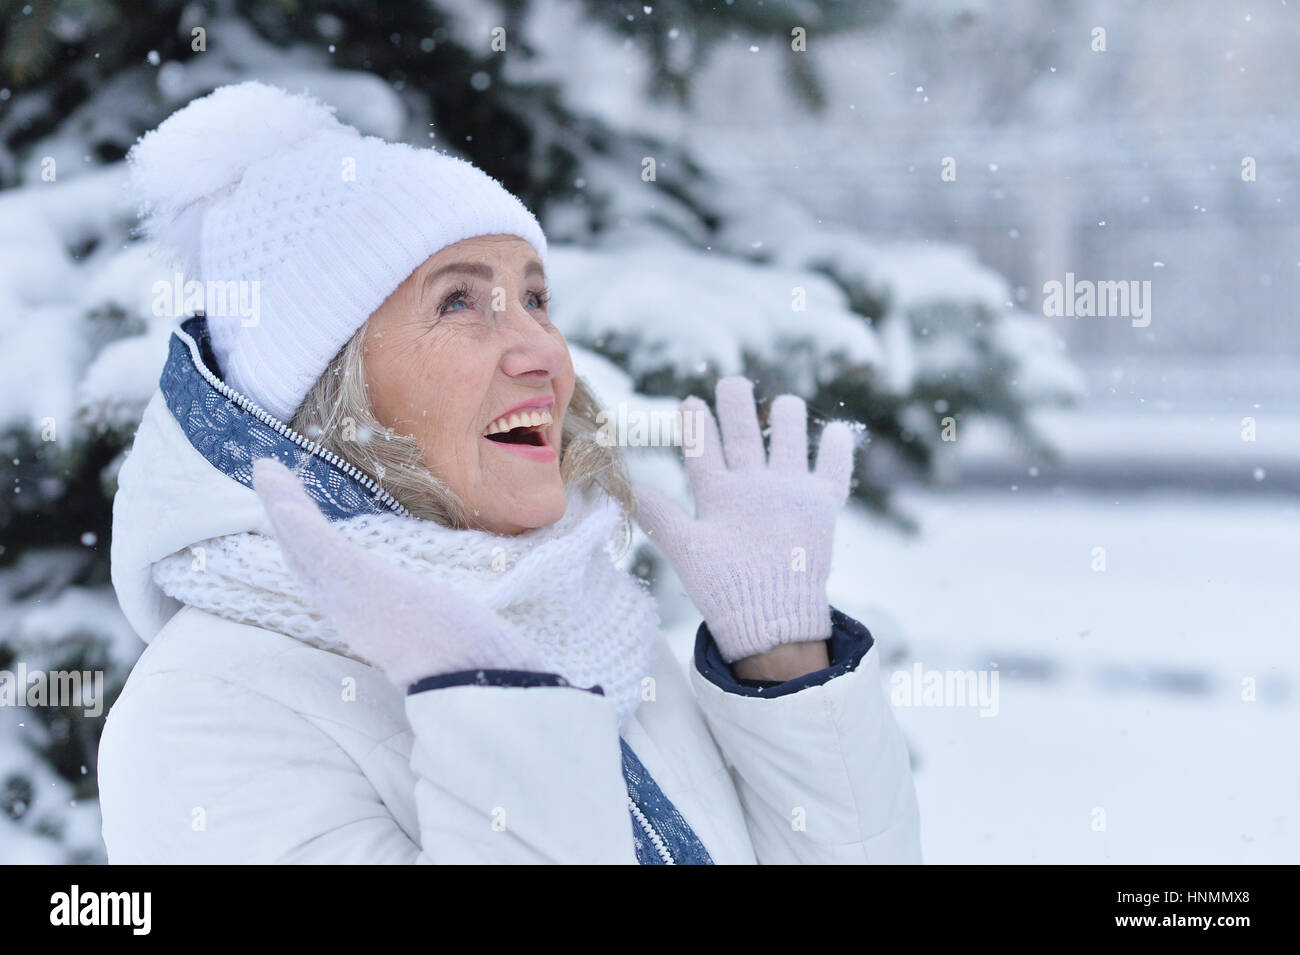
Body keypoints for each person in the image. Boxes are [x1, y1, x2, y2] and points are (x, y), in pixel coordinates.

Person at [98, 81, 921, 864]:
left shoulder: (584, 624)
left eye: (536, 299)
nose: (544, 352)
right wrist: (494, 706)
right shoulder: (202, 713)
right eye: (459, 302)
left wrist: (782, 659)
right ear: (326, 386)